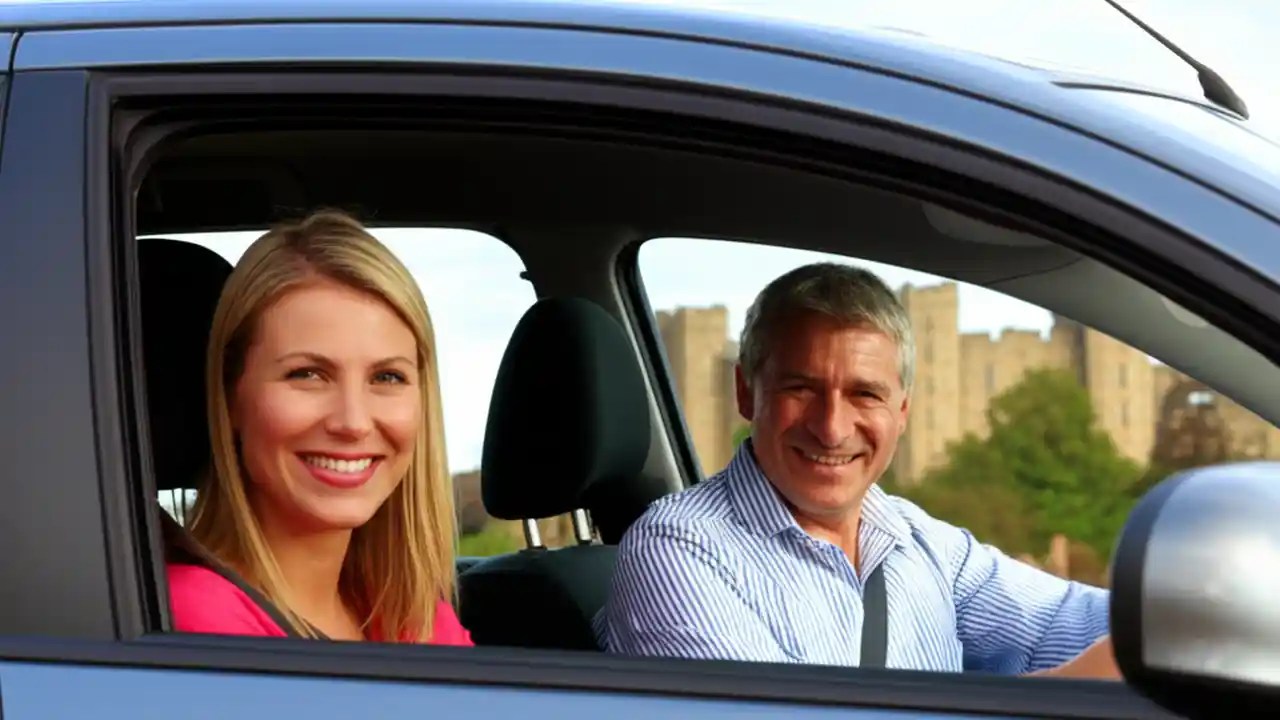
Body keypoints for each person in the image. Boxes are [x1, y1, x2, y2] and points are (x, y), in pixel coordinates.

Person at [602, 262, 1116, 678]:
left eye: (865, 394)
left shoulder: (920, 544)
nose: (831, 428)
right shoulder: (677, 551)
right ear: (745, 392)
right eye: (800, 389)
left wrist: (1162, 603)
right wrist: (1071, 689)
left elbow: (1076, 622)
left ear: (902, 411)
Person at [167, 209, 472, 645]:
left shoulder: (409, 616)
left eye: (387, 377)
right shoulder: (199, 616)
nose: (353, 422)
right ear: (230, 398)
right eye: (307, 374)